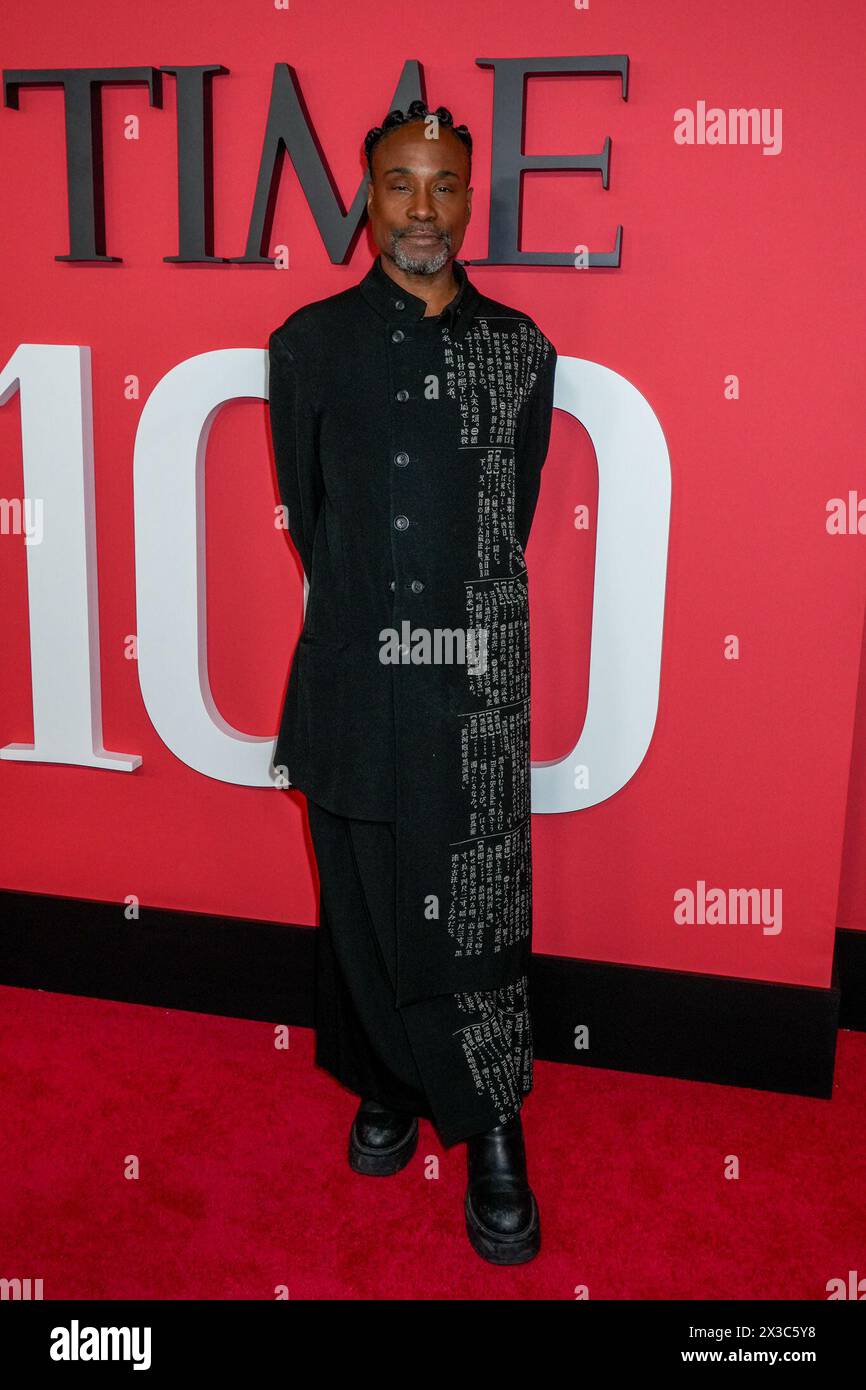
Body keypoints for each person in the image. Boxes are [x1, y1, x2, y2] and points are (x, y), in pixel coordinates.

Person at [267, 99, 557, 1265]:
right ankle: (384, 1080)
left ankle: (490, 1124)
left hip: (469, 684)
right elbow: (312, 507)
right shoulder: (306, 342)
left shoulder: (520, 350)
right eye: (399, 185)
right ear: (367, 195)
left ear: (466, 196)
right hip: (346, 669)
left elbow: (508, 522)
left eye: (443, 186)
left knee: (474, 906)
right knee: (357, 890)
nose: (422, 210)